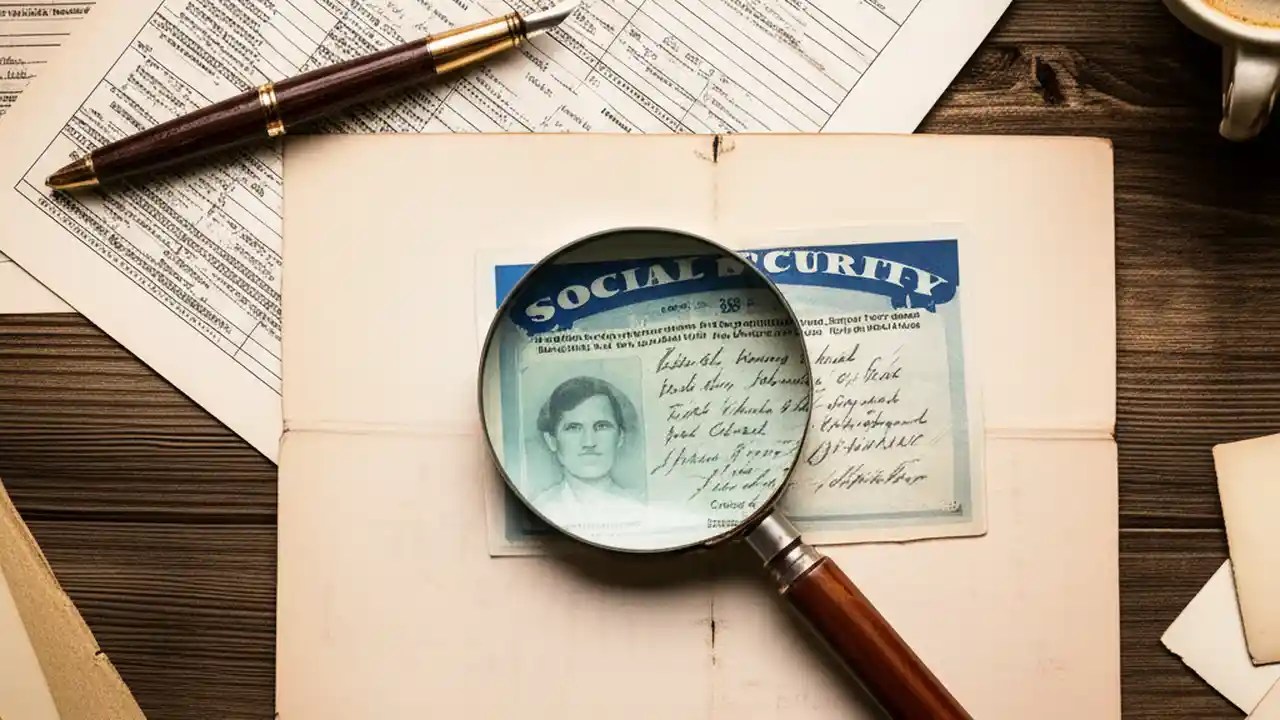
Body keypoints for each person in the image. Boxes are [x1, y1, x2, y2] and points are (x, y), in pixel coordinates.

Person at [531, 376, 644, 524]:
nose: (589, 442)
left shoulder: (639, 510)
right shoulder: (539, 509)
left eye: (602, 426)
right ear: (552, 441)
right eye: (573, 428)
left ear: (620, 437)